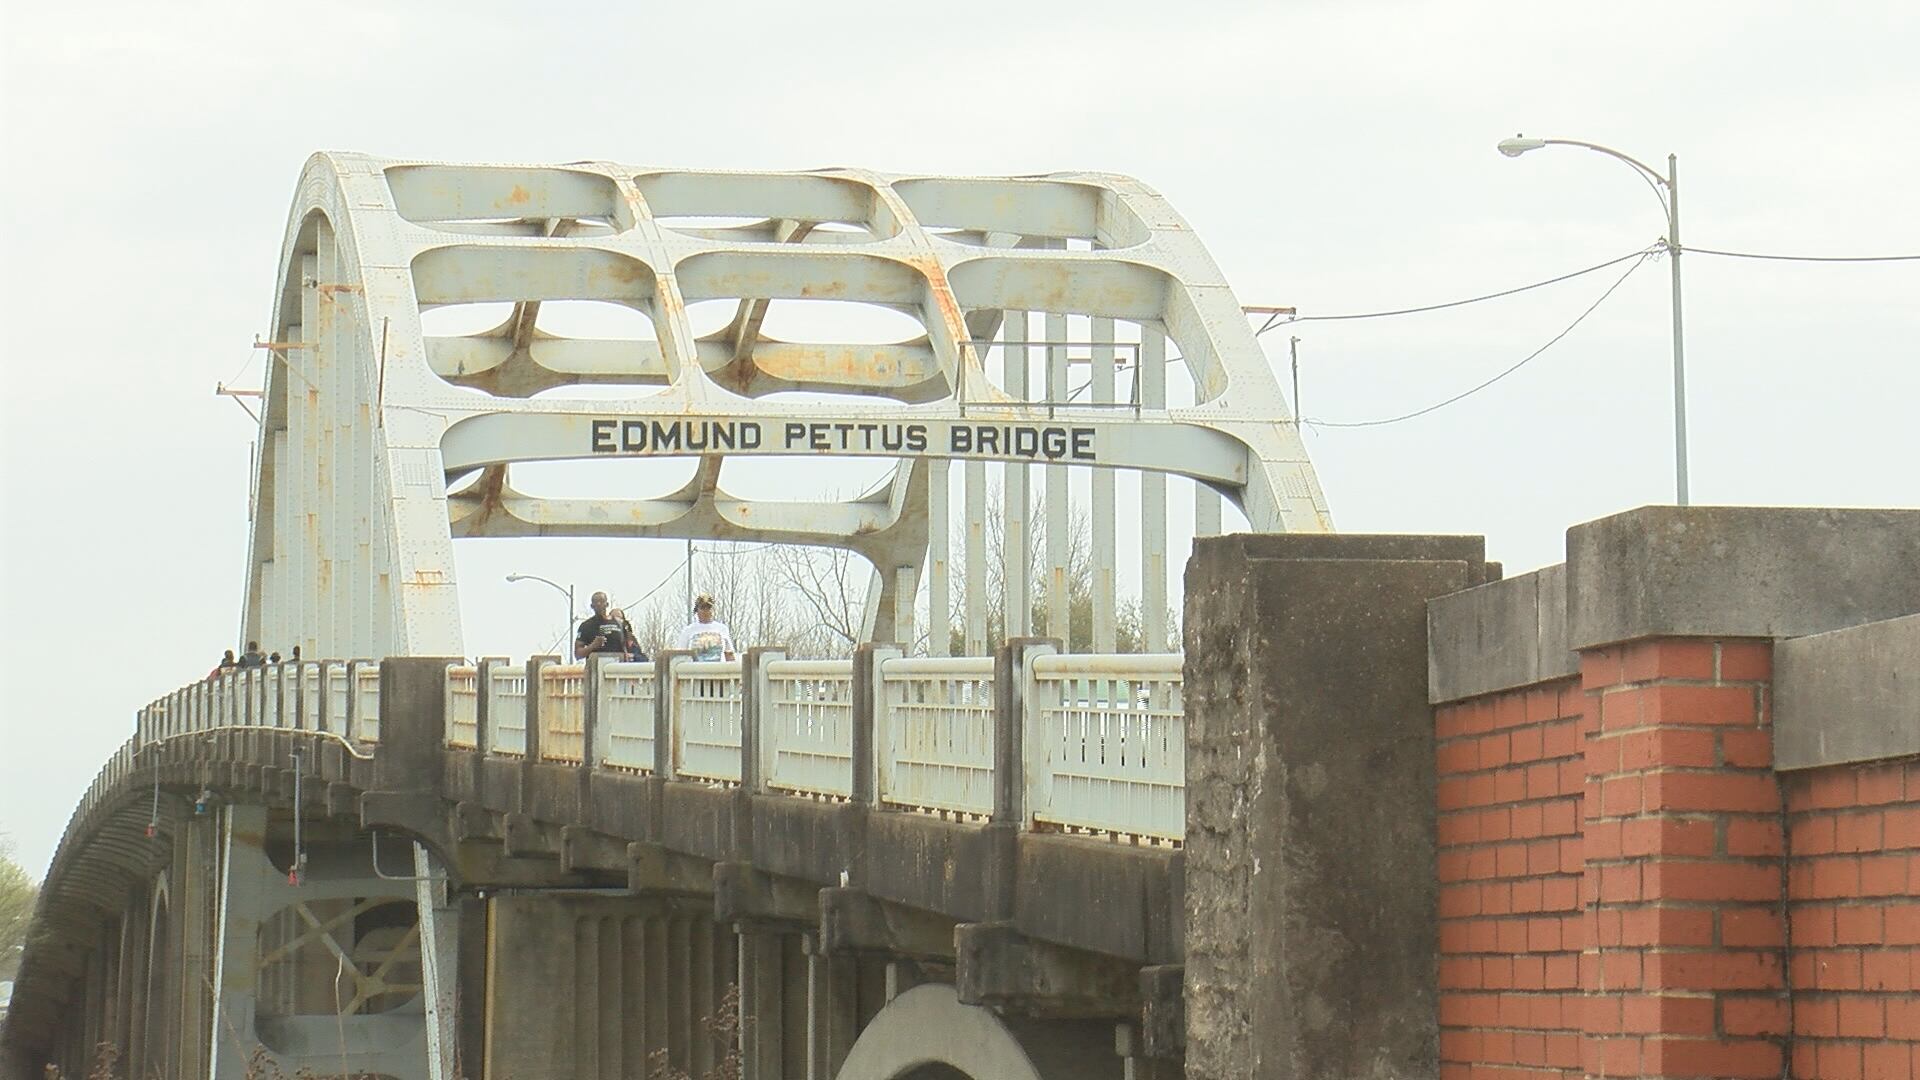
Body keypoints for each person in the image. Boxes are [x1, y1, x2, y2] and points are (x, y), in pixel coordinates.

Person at [674, 594, 736, 661]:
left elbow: (729, 654)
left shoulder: (722, 629)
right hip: (695, 670)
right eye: (702, 608)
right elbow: (680, 656)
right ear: (697, 610)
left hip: (718, 670)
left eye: (708, 608)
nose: (706, 611)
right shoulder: (688, 630)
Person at [574, 591, 629, 660]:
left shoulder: (619, 623)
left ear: (607, 604)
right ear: (592, 606)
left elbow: (626, 648)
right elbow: (577, 654)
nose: (599, 604)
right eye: (596, 602)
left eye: (601, 601)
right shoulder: (586, 626)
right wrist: (592, 646)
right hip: (596, 665)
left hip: (617, 666)